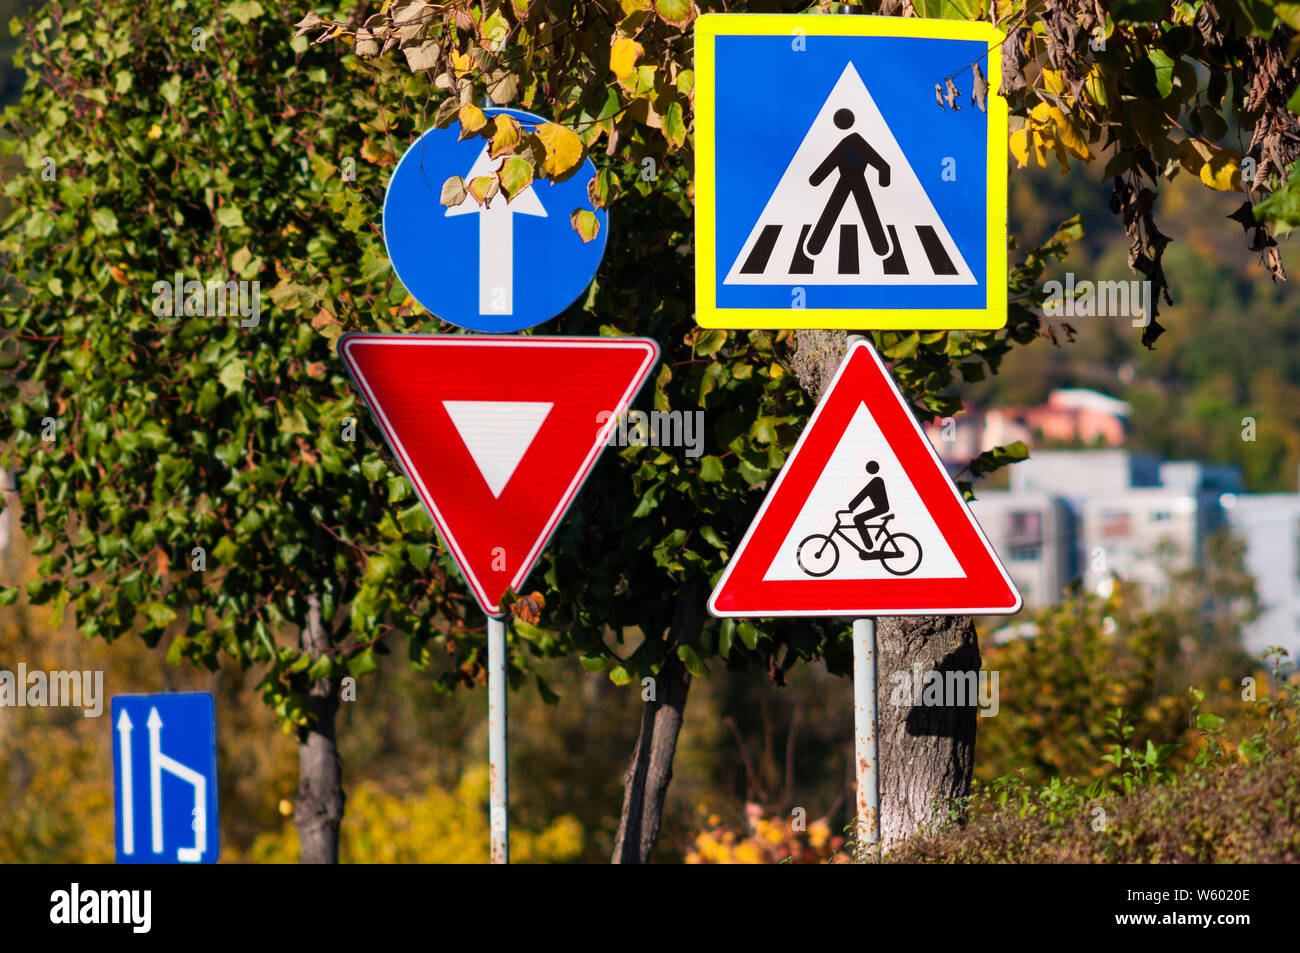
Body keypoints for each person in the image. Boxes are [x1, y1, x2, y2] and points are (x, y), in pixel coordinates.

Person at [806, 108, 892, 258]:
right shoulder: (854, 143)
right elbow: (882, 165)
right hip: (851, 180)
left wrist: (816, 179)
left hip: (852, 180)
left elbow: (830, 162)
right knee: (865, 211)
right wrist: (883, 180)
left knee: (834, 210)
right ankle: (881, 247)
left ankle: (815, 246)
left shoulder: (849, 143)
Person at [848, 461, 889, 552]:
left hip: (881, 508)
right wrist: (852, 506)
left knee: (858, 519)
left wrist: (852, 506)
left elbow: (864, 493)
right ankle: (869, 545)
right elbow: (864, 494)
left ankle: (869, 547)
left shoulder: (876, 481)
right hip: (881, 508)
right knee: (858, 519)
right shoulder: (877, 480)